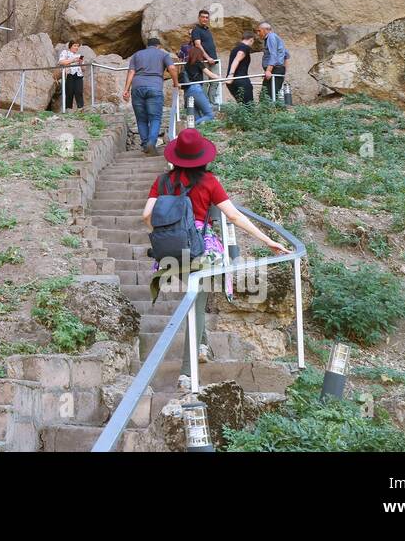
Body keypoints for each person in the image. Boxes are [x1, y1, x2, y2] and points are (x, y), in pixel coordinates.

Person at [141, 128, 288, 385]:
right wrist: (268, 240)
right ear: (201, 157)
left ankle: (202, 346)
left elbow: (146, 216)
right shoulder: (209, 182)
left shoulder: (162, 181)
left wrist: (162, 236)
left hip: (169, 250)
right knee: (195, 303)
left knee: (195, 297)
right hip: (201, 250)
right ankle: (187, 373)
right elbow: (233, 216)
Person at [122, 37, 180, 155]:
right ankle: (151, 143)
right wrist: (176, 83)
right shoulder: (163, 54)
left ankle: (145, 145)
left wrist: (126, 89)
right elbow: (172, 68)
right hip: (154, 88)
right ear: (158, 46)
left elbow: (131, 72)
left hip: (137, 88)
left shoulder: (137, 55)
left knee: (141, 119)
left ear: (147, 46)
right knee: (155, 118)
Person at [182, 45, 217, 124]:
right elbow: (210, 75)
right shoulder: (198, 63)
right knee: (209, 115)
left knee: (197, 117)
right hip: (196, 90)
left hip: (187, 92)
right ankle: (188, 127)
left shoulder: (186, 65)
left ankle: (195, 132)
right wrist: (221, 78)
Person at [258, 21, 289, 103]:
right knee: (270, 95)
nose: (258, 33)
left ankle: (271, 114)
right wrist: (284, 70)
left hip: (274, 70)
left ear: (265, 30)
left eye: (259, 31)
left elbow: (273, 55)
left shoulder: (271, 37)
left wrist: (268, 70)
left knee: (267, 97)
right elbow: (286, 55)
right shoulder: (277, 38)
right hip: (277, 69)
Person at [225, 31, 257, 104]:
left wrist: (230, 77)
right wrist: (231, 75)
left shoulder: (235, 48)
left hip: (232, 82)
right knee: (249, 106)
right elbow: (237, 59)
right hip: (240, 80)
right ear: (251, 39)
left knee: (242, 106)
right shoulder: (245, 47)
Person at [58, 40, 85, 111]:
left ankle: (80, 109)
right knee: (69, 93)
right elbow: (61, 62)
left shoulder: (79, 55)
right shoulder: (65, 52)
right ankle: (68, 110)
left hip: (78, 75)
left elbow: (83, 69)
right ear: (70, 46)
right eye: (75, 46)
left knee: (79, 92)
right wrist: (73, 60)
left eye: (77, 46)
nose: (76, 47)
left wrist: (81, 63)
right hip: (69, 75)